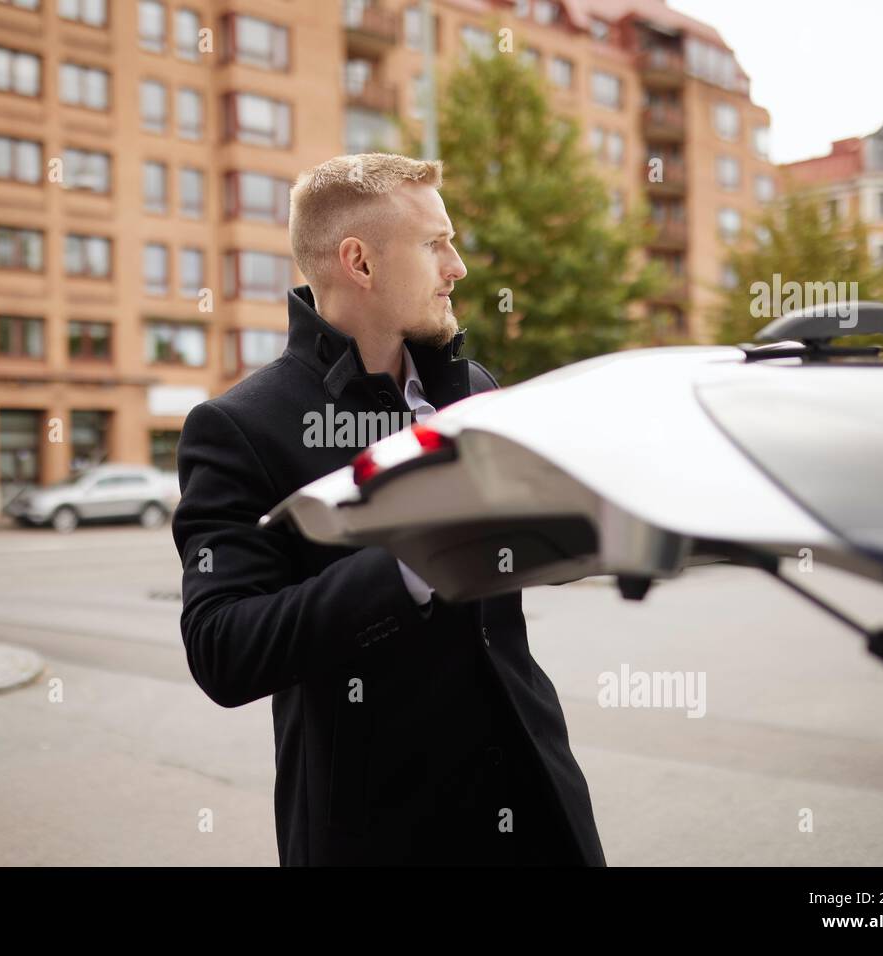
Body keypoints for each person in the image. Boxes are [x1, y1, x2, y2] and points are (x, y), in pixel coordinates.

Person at [171, 153, 605, 866]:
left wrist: (577, 524)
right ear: (359, 263)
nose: (458, 266)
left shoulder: (473, 387)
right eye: (436, 243)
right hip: (377, 831)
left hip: (538, 805)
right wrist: (413, 560)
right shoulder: (240, 426)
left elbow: (506, 564)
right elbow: (224, 647)